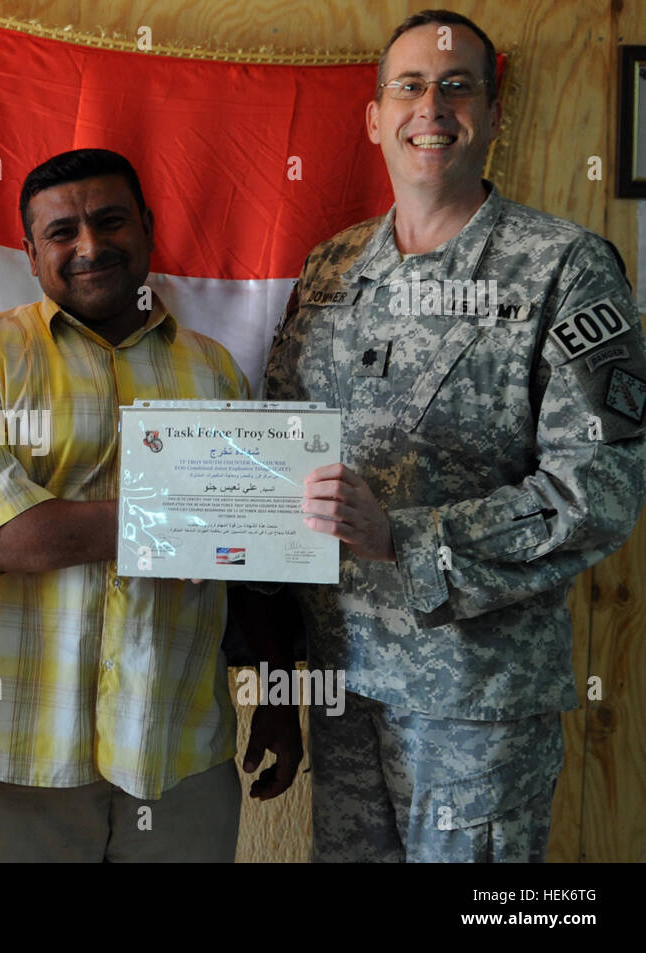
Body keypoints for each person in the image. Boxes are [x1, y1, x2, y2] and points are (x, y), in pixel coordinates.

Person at [266, 9, 646, 862]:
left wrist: (404, 538)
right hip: (344, 686)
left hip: (478, 704)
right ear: (373, 116)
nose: (429, 106)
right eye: (408, 85)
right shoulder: (329, 273)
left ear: (493, 114)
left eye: (456, 85)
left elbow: (600, 491)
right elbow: (278, 454)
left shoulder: (565, 268)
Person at [0, 148, 301, 862]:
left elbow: (255, 553)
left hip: (179, 755)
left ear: (149, 228)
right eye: (62, 232)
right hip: (17, 760)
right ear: (30, 252)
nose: (90, 246)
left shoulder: (215, 371)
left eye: (110, 221)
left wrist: (280, 696)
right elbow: (0, 537)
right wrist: (190, 516)